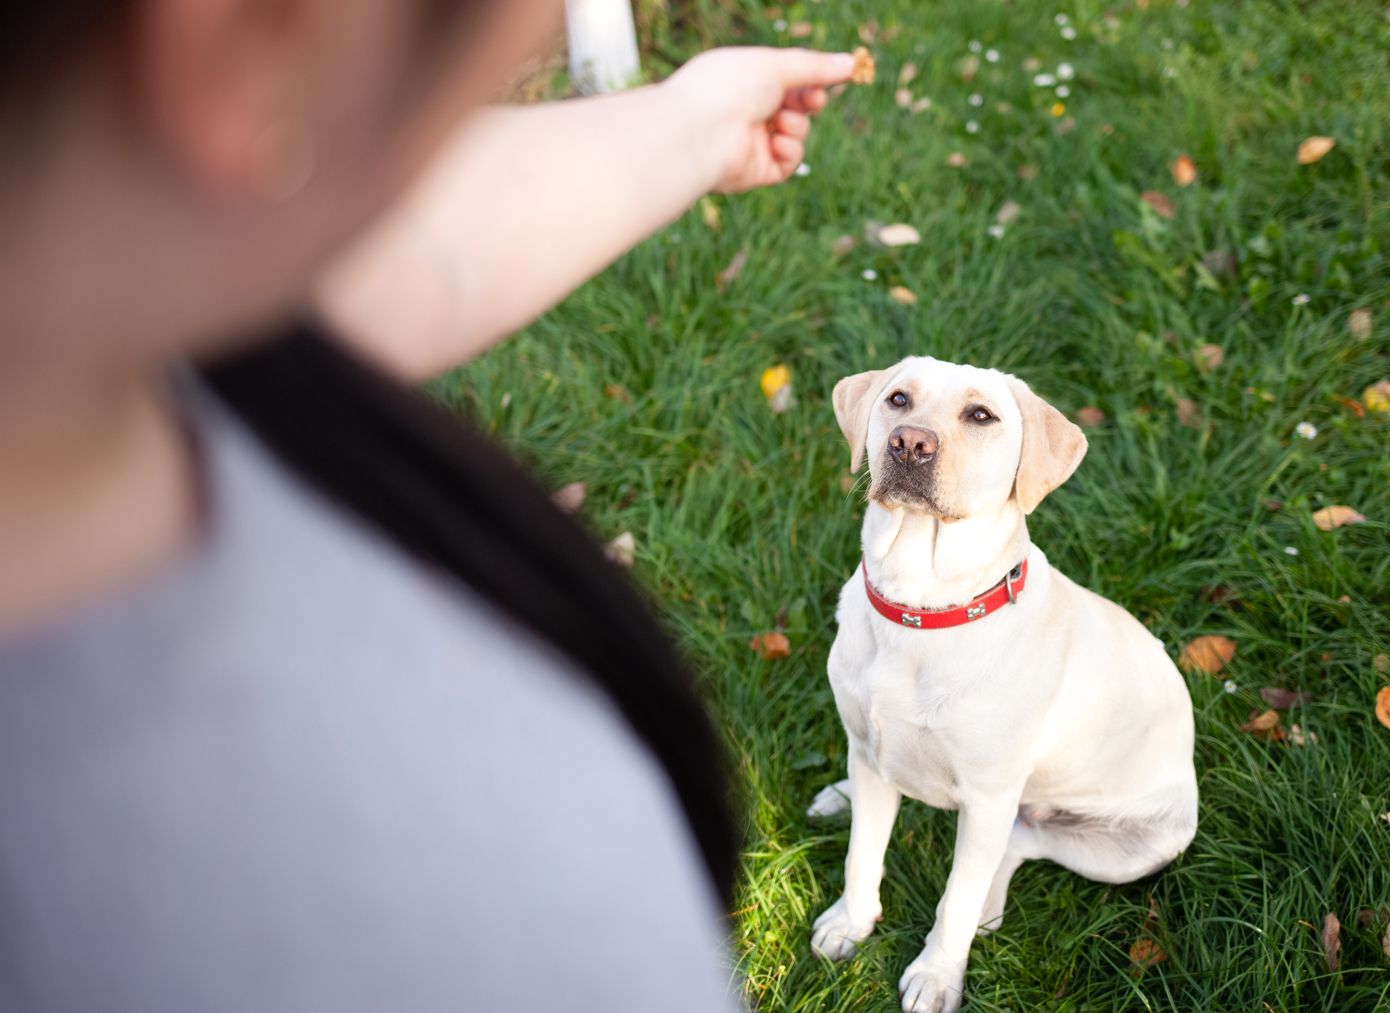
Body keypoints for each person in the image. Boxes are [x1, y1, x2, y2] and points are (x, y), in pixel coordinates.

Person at [0, 3, 853, 1010]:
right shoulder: (437, 924)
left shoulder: (104, 338)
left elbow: (408, 254)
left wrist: (693, 121)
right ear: (267, 34)